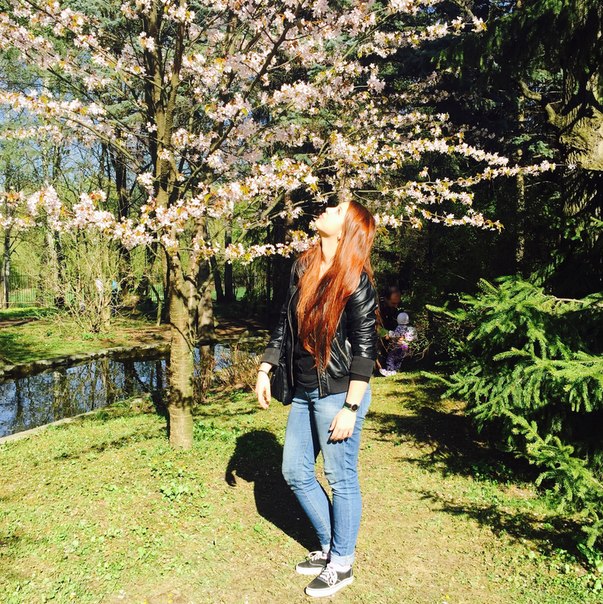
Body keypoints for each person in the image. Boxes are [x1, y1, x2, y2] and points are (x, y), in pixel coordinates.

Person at [255, 195, 378, 599]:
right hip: (305, 389)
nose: (326, 209)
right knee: (295, 471)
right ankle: (329, 546)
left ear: (346, 231)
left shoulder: (356, 281)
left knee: (341, 478)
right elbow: (283, 324)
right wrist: (266, 367)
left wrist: (351, 408)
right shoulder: (303, 266)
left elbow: (365, 351)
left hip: (339, 393)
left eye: (337, 210)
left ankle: (342, 564)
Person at [380, 311, 417, 376]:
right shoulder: (408, 328)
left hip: (399, 346)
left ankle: (390, 370)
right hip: (405, 347)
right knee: (400, 358)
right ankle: (396, 370)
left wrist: (389, 333)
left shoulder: (400, 327)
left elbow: (396, 335)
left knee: (391, 357)